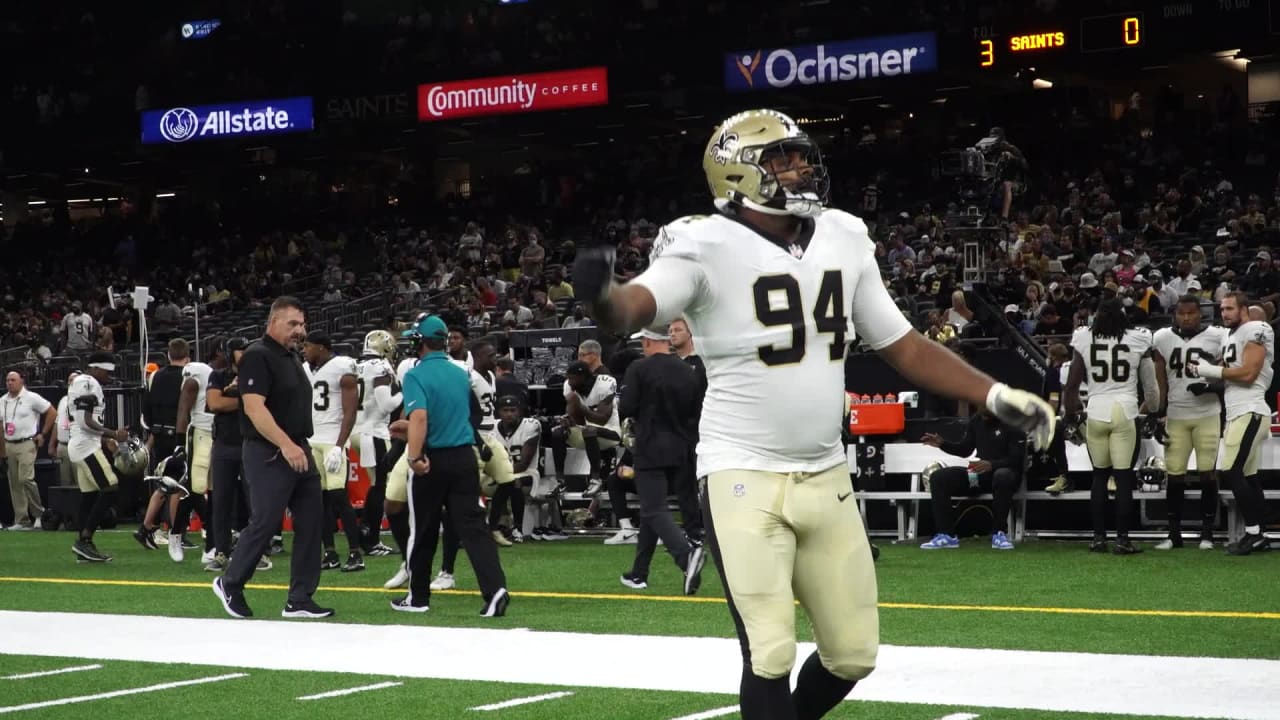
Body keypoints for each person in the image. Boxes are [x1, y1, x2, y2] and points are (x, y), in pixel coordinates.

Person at [571, 108, 1054, 720]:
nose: (800, 167)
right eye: (782, 158)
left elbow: (903, 345)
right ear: (738, 174)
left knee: (852, 654)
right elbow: (634, 308)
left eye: (801, 155)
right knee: (770, 651)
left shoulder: (842, 235)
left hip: (825, 472)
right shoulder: (703, 242)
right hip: (741, 472)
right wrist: (603, 296)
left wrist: (992, 394)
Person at [212, 296, 333, 620]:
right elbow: (254, 408)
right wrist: (286, 445)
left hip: (297, 447)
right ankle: (230, 583)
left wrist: (297, 446)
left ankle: (300, 598)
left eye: (303, 324)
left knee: (311, 522)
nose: (300, 330)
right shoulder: (257, 355)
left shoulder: (289, 357)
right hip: (270, 451)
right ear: (273, 322)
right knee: (265, 522)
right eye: (293, 323)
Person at [392, 314, 510, 617]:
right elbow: (458, 415)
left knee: (423, 530)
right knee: (474, 528)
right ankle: (495, 588)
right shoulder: (461, 373)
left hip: (432, 459)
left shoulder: (415, 374)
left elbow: (421, 417)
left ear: (420, 341)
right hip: (463, 458)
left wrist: (414, 457)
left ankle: (418, 597)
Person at [1064, 297, 1156, 555]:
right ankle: (1123, 539)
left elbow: (1072, 385)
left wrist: (1071, 416)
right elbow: (1150, 386)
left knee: (1100, 476)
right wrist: (1154, 409)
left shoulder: (1084, 337)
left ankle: (1098, 538)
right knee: (1124, 478)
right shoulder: (1139, 338)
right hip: (1125, 409)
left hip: (1096, 409)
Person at [617, 327, 705, 593]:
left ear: (647, 341)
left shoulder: (638, 368)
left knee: (654, 508)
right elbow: (697, 409)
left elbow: (627, 407)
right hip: (683, 448)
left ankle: (685, 555)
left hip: (651, 446)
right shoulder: (687, 370)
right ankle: (639, 573)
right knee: (649, 513)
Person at [1187, 292, 1275, 555]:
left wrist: (1207, 370)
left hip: (1251, 409)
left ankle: (1254, 533)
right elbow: (1227, 370)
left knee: (1231, 470)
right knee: (1248, 476)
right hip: (1237, 411)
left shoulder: (1256, 330)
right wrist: (1205, 383)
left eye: (1229, 308)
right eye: (1222, 309)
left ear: (1244, 309)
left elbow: (1248, 374)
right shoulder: (1229, 335)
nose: (1224, 313)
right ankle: (1261, 532)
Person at [1151, 296, 1227, 550]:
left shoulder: (1218, 336)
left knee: (1207, 472)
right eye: (1181, 313)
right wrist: (1158, 412)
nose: (1186, 318)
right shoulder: (1162, 337)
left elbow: (1228, 373)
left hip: (1207, 413)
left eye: (1191, 313)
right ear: (1175, 315)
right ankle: (1174, 534)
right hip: (1176, 414)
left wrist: (1210, 385)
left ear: (1200, 314)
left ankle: (1207, 533)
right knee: (1174, 475)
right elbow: (1159, 378)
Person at [302, 331, 364, 573]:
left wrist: (340, 445)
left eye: (308, 346)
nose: (304, 350)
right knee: (319, 500)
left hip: (332, 440)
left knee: (339, 497)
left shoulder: (342, 365)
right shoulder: (306, 369)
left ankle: (356, 552)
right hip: (312, 439)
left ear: (321, 347)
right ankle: (329, 552)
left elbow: (350, 410)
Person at [919, 413, 1024, 550]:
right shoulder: (977, 420)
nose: (983, 411)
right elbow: (965, 449)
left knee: (1002, 475)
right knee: (939, 478)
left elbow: (1016, 459)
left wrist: (991, 464)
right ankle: (947, 535)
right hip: (979, 476)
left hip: (1006, 476)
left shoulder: (1013, 422)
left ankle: (998, 533)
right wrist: (943, 444)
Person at [68, 353, 131, 562]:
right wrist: (113, 434)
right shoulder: (86, 382)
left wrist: (105, 440)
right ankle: (84, 539)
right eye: (107, 370)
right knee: (110, 488)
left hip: (84, 444)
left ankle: (83, 547)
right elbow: (85, 421)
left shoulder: (86, 381)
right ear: (95, 368)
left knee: (90, 496)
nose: (109, 375)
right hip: (85, 445)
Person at [204, 338, 260, 571]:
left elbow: (263, 403)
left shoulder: (258, 374)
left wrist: (235, 397)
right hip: (225, 444)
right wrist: (245, 400)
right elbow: (215, 403)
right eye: (240, 350)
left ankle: (257, 552)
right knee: (221, 501)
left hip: (252, 443)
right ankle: (221, 551)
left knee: (255, 502)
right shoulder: (217, 375)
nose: (244, 354)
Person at [354, 330, 399, 557]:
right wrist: (406, 392)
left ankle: (364, 533)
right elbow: (386, 405)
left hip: (354, 429)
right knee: (381, 484)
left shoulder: (353, 364)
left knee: (377, 483)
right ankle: (369, 537)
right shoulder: (381, 366)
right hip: (374, 431)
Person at [550, 361, 622, 497]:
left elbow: (602, 419)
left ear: (583, 377)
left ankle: (596, 479)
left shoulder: (605, 384)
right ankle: (560, 480)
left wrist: (581, 407)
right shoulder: (570, 388)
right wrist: (569, 421)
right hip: (586, 433)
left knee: (589, 430)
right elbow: (577, 420)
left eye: (572, 378)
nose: (569, 382)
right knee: (557, 432)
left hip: (610, 433)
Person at [0, 370, 55, 529]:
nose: (9, 383)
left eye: (13, 380)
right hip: (9, 443)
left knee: (25, 479)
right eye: (7, 380)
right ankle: (21, 519)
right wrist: (2, 450)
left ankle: (39, 513)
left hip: (26, 443)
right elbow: (1, 427)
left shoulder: (31, 398)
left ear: (21, 381)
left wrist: (42, 434)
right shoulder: (2, 400)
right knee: (14, 483)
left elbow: (52, 412)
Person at [669, 317, 706, 542]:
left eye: (678, 330)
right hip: (678, 433)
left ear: (690, 333)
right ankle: (692, 533)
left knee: (705, 485)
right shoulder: (670, 364)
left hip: (701, 432)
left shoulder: (701, 363)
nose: (672, 334)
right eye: (670, 330)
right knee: (684, 486)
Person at [494, 396, 543, 540]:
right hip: (502, 473)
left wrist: (500, 472)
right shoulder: (493, 427)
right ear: (499, 412)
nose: (509, 414)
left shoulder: (531, 425)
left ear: (520, 411)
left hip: (528, 474)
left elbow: (524, 463)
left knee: (514, 482)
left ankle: (518, 528)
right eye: (505, 410)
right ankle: (498, 525)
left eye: (512, 410)